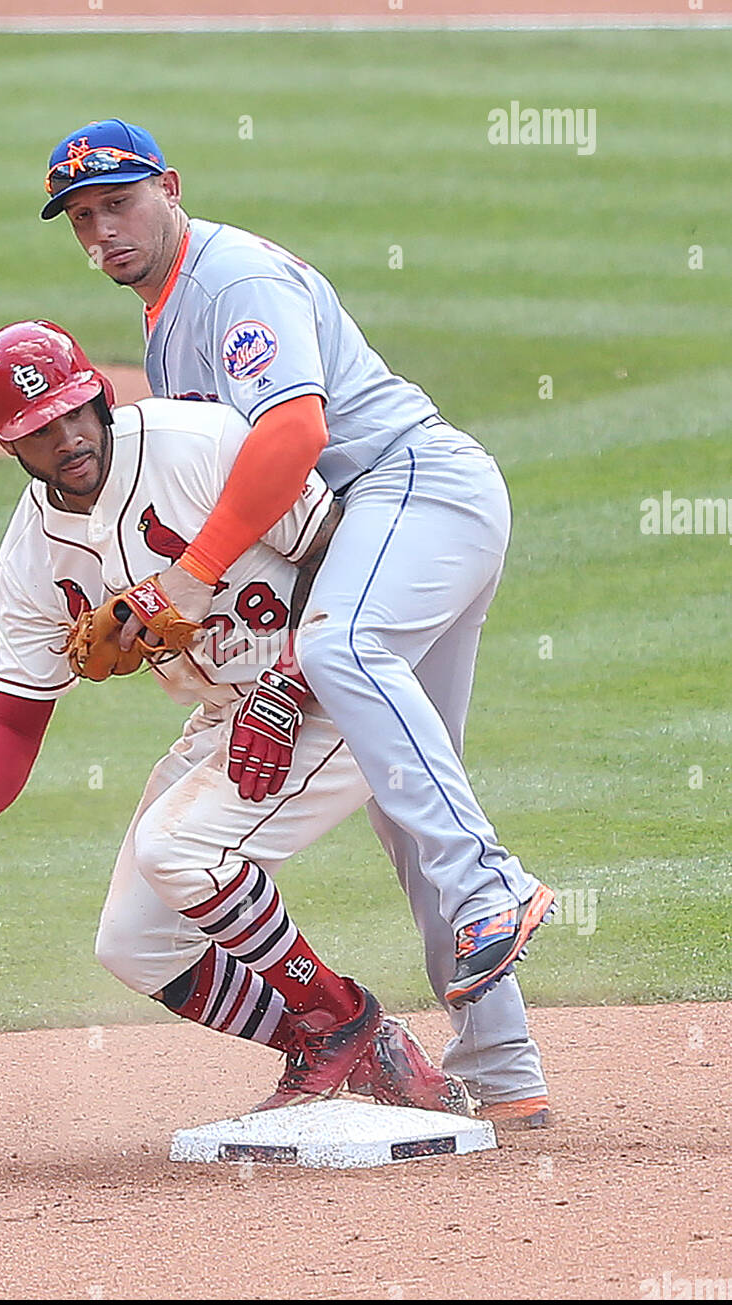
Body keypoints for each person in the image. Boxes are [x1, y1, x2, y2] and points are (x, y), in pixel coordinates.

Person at [37, 119, 557, 1127]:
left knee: (343, 648)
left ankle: (495, 881)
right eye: (84, 218)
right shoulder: (169, 308)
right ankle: (503, 1066)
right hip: (375, 525)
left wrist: (186, 585)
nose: (104, 231)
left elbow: (295, 434)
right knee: (403, 786)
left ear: (171, 187)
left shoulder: (231, 283)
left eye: (120, 203)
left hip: (411, 491)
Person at [0, 318, 474, 1116]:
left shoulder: (198, 444)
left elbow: (345, 551)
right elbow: (13, 719)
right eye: (39, 427)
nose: (67, 436)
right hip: (226, 715)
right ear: (10, 445)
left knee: (178, 848)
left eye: (75, 410)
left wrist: (290, 679)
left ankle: (340, 1020)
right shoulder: (32, 558)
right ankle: (351, 1050)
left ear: (99, 397)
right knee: (134, 942)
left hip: (338, 683)